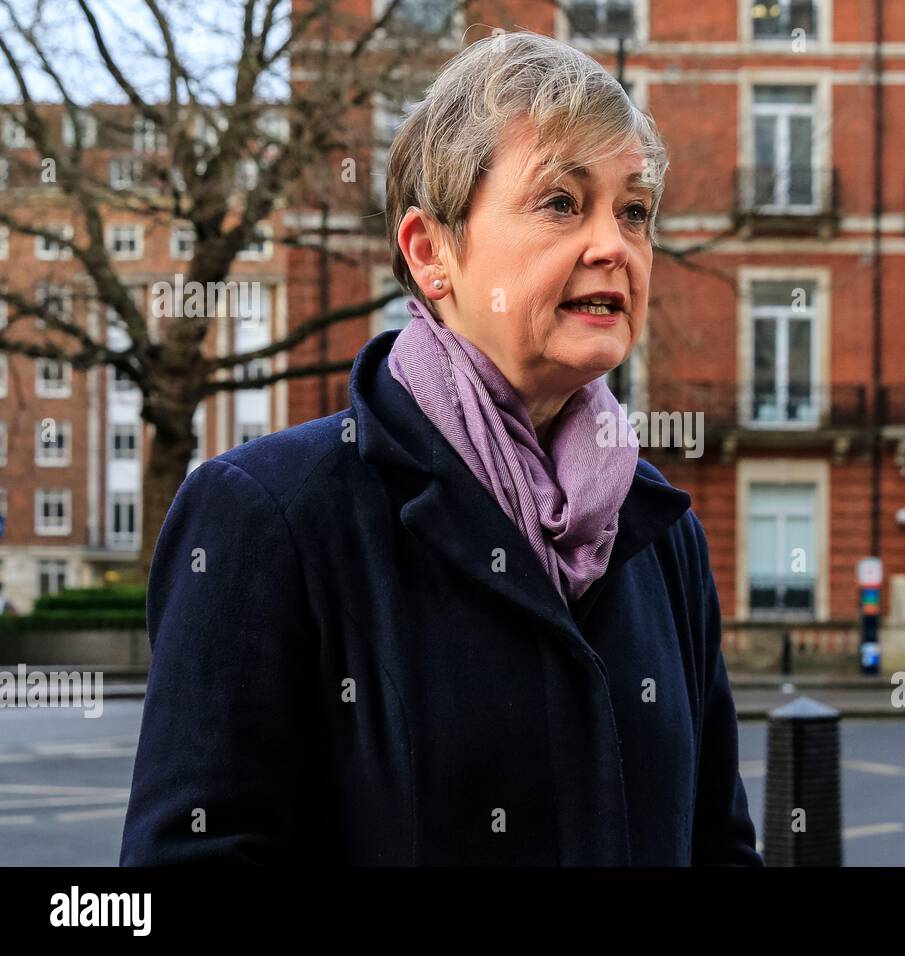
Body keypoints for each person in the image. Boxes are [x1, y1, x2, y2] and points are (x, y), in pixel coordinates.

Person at [120, 30, 762, 866]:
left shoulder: (661, 531)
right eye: (562, 203)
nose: (614, 245)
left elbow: (719, 844)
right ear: (432, 253)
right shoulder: (264, 516)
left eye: (633, 211)